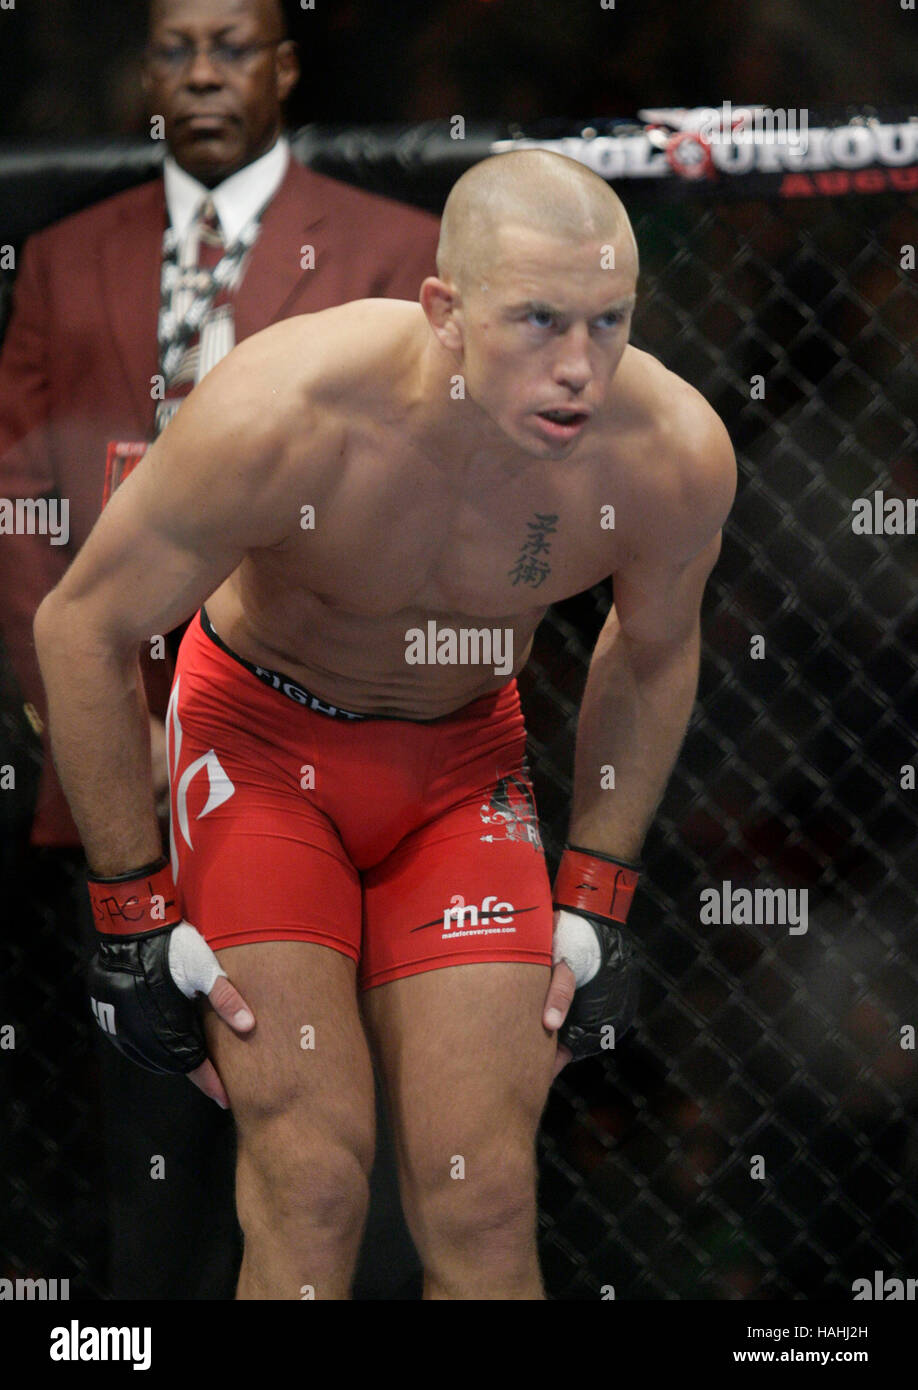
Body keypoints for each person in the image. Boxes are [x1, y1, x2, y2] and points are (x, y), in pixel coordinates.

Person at [34, 149, 736, 1300]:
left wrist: (600, 890)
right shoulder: (287, 411)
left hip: (462, 771)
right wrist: (131, 916)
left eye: (610, 323)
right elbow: (81, 628)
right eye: (540, 320)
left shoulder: (668, 453)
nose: (579, 367)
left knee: (485, 1195)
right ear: (445, 312)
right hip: (256, 753)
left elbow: (654, 649)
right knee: (312, 1184)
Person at [0, 0, 438, 1298]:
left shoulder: (388, 251)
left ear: (284, 66)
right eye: (177, 49)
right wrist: (70, 710)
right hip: (110, 742)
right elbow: (18, 504)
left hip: (319, 742)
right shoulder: (70, 255)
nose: (201, 73)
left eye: (231, 45)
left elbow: (407, 512)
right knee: (150, 1125)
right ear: (146, 72)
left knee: (336, 1126)